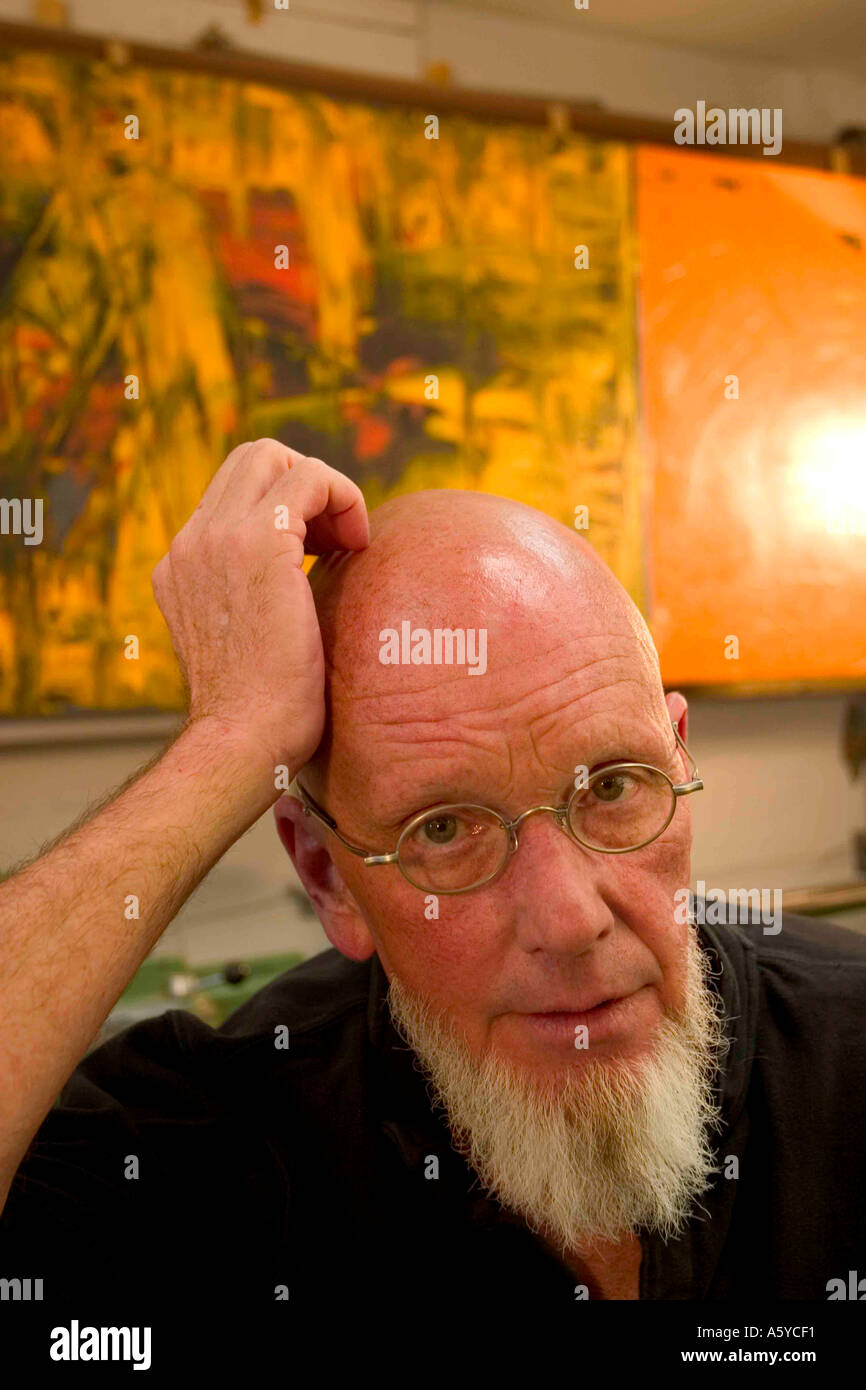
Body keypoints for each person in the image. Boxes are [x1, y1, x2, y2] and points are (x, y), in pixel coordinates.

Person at [1, 439, 864, 1322]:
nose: (571, 920)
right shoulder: (226, 1146)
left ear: (680, 757)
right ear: (325, 875)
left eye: (611, 788)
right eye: (443, 831)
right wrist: (229, 740)